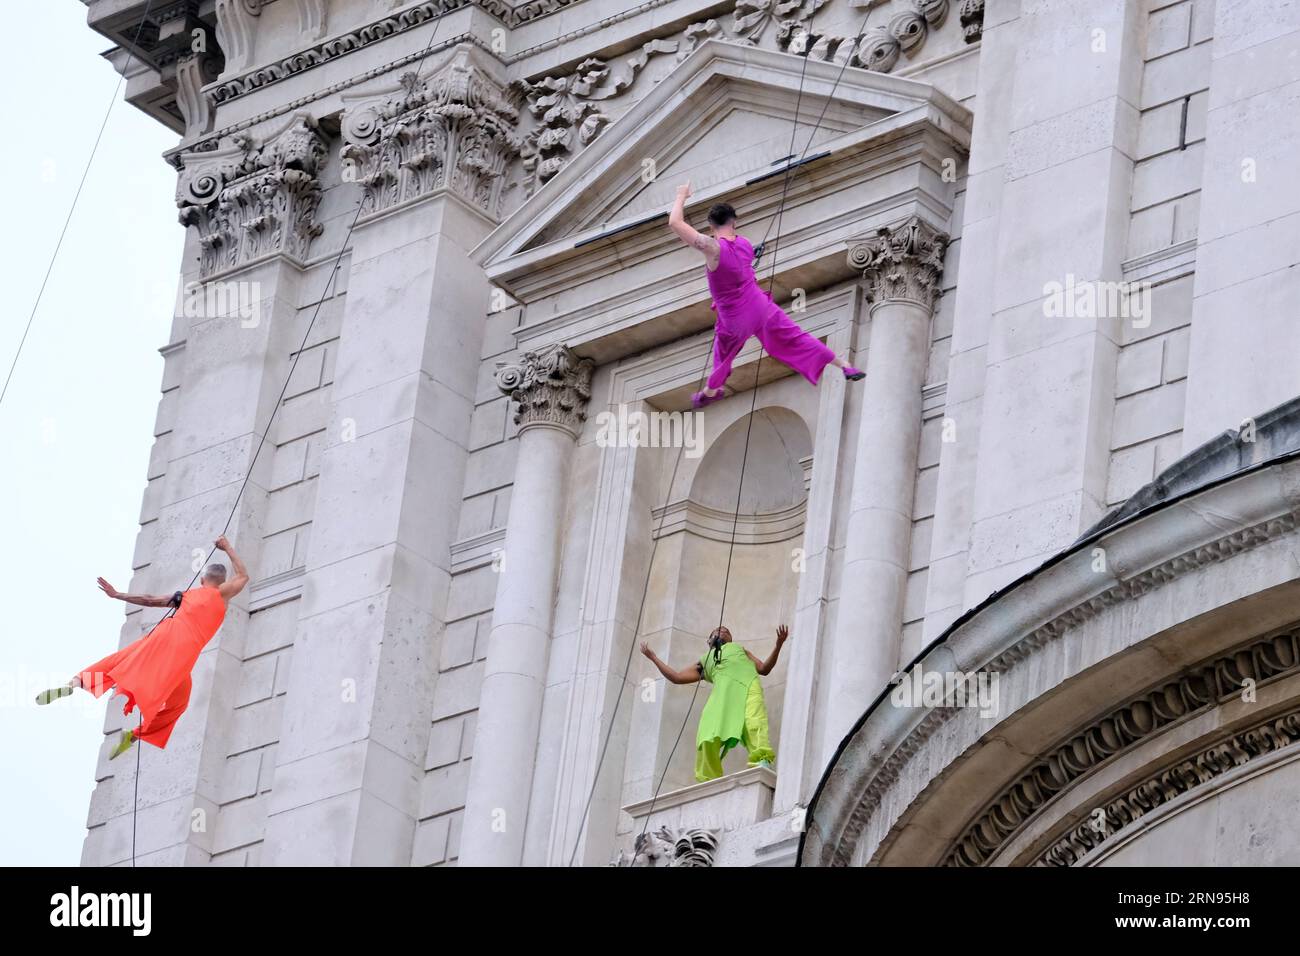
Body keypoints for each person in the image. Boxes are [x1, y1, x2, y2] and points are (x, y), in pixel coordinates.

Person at [36, 536, 249, 759]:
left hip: (164, 638)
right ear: (222, 582)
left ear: (203, 579)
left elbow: (148, 599)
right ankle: (135, 736)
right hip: (184, 658)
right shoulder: (222, 595)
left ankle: (75, 683)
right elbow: (243, 575)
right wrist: (227, 548)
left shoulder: (185, 596)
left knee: (120, 660)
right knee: (178, 704)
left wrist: (118, 595)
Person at [668, 182, 864, 408]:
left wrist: (681, 195)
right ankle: (844, 364)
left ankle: (710, 392)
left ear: (711, 226)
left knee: (723, 358)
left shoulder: (712, 248)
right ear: (734, 222)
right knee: (796, 338)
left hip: (735, 319)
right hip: (760, 307)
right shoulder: (745, 244)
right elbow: (743, 265)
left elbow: (675, 222)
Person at [641, 624, 788, 782]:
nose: (723, 631)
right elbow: (677, 677)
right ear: (709, 641)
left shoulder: (741, 650)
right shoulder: (704, 661)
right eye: (718, 631)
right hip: (721, 697)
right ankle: (708, 778)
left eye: (727, 632)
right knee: (707, 734)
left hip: (749, 687)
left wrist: (778, 645)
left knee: (754, 722)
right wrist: (654, 658)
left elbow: (764, 669)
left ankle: (761, 760)